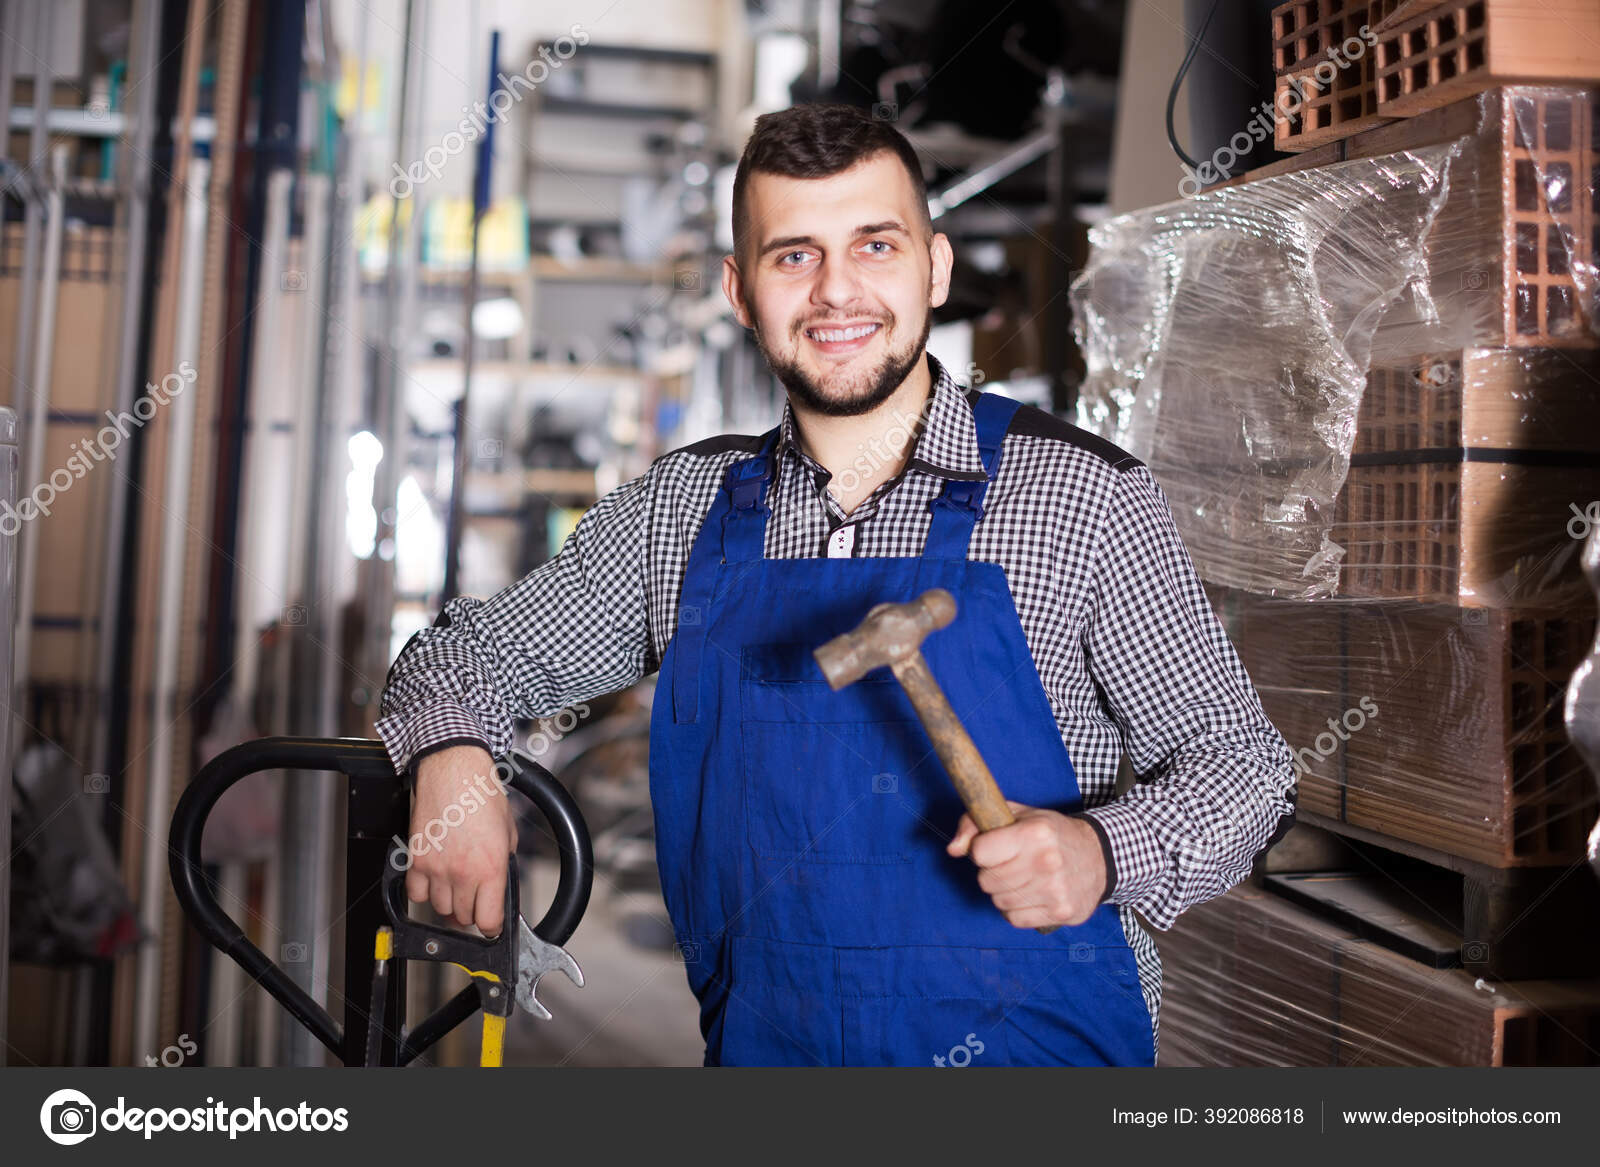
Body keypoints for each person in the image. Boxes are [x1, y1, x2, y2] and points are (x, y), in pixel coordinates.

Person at [376, 103, 1296, 1067]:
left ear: (934, 267)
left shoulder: (1080, 497)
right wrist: (453, 758)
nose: (837, 292)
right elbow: (466, 656)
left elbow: (1245, 767)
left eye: (874, 245)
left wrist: (1101, 853)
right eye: (794, 256)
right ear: (741, 291)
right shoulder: (683, 513)